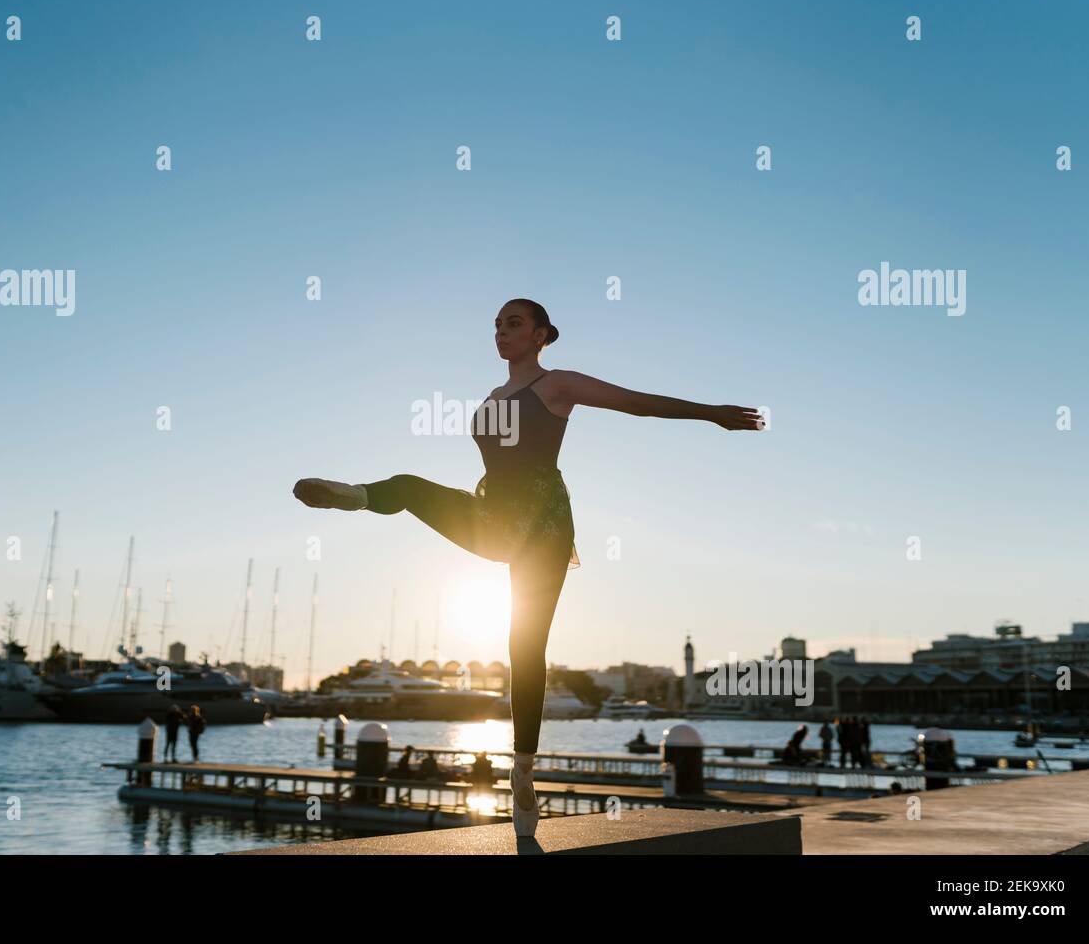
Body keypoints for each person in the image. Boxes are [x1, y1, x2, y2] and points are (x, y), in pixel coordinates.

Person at [294, 298, 764, 836]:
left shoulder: (556, 385)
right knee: (409, 486)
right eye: (496, 324)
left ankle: (521, 769)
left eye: (513, 323)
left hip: (542, 526)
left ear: (542, 335)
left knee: (524, 644)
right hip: (492, 517)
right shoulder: (491, 399)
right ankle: (351, 496)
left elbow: (635, 403)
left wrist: (710, 414)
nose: (501, 332)